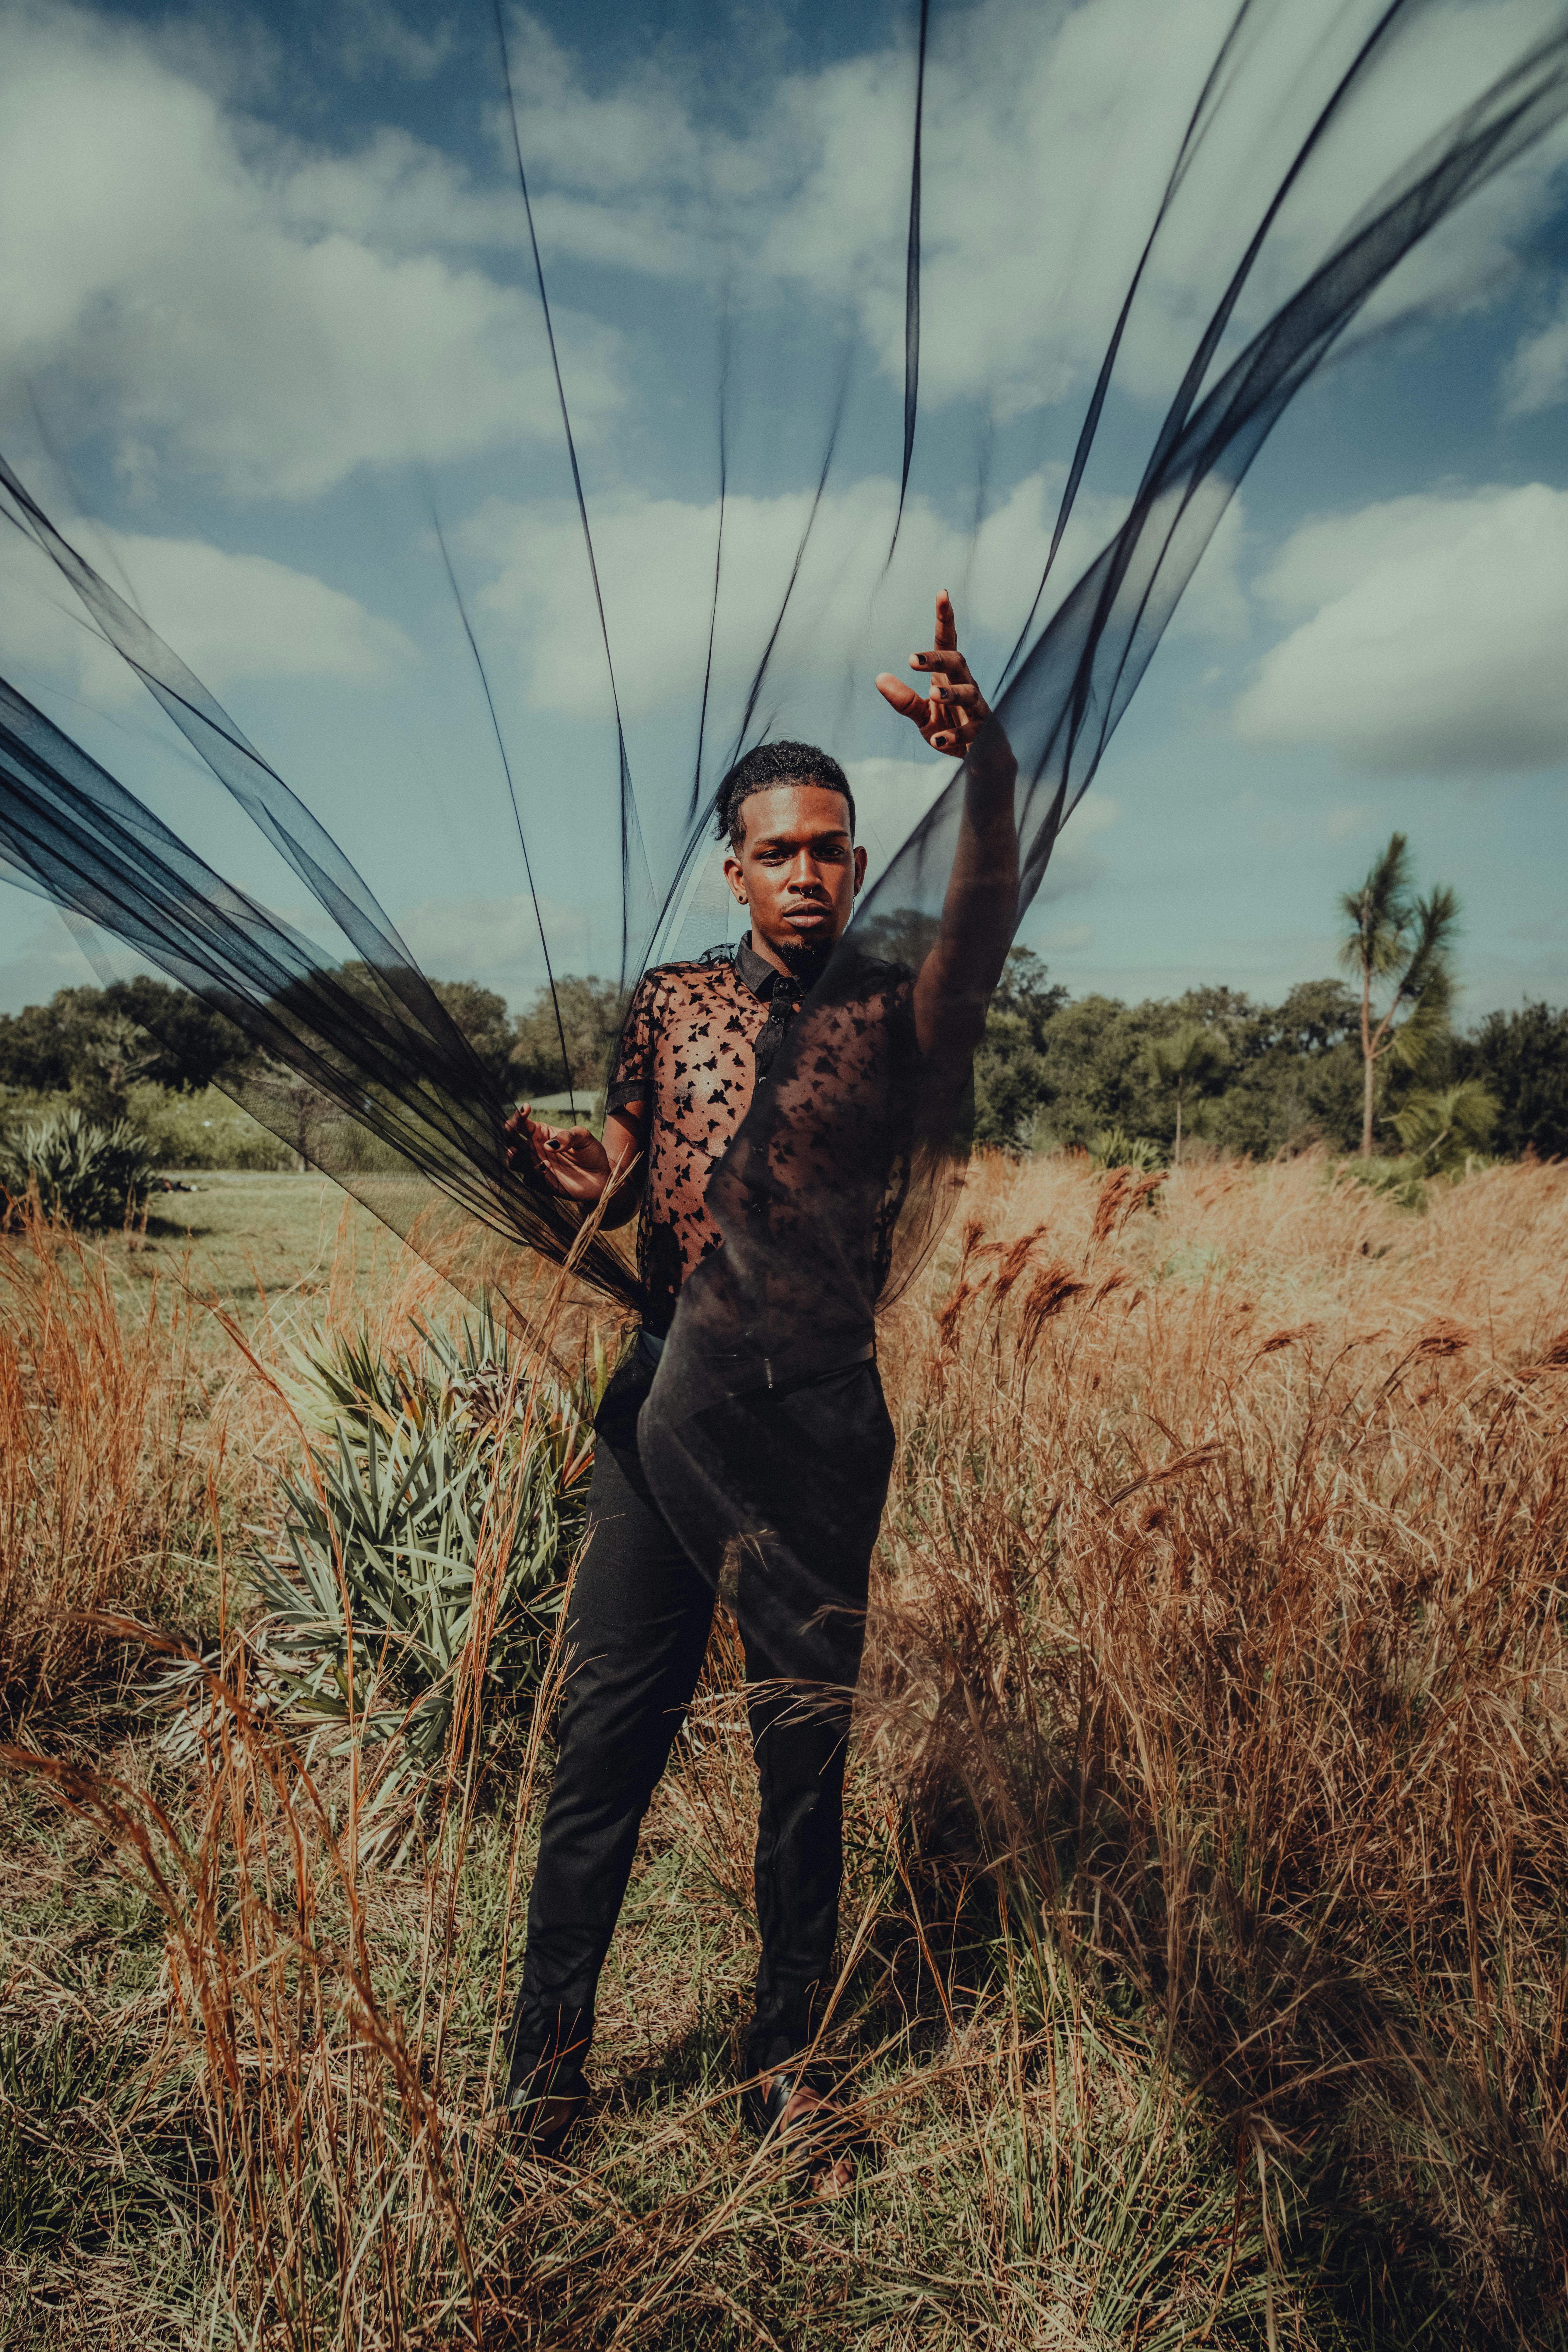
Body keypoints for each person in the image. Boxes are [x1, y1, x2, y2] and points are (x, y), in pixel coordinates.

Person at [501, 592, 1017, 2191]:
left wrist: (987, 767)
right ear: (733, 868)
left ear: (859, 866)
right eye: (781, 851)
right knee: (607, 1743)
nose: (810, 874)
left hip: (823, 1425)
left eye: (835, 850)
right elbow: (646, 1174)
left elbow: (989, 915)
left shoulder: (900, 1008)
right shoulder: (664, 1003)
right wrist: (585, 1177)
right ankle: (545, 2078)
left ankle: (787, 2076)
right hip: (671, 1410)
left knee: (807, 1757)